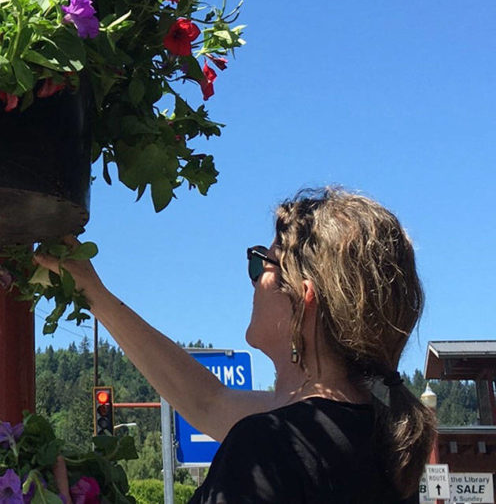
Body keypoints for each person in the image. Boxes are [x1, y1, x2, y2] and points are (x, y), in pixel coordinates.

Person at [34, 188, 436, 504]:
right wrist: (96, 295)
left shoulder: (267, 447)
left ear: (304, 299)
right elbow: (209, 402)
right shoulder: (381, 438)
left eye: (263, 263)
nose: (254, 278)